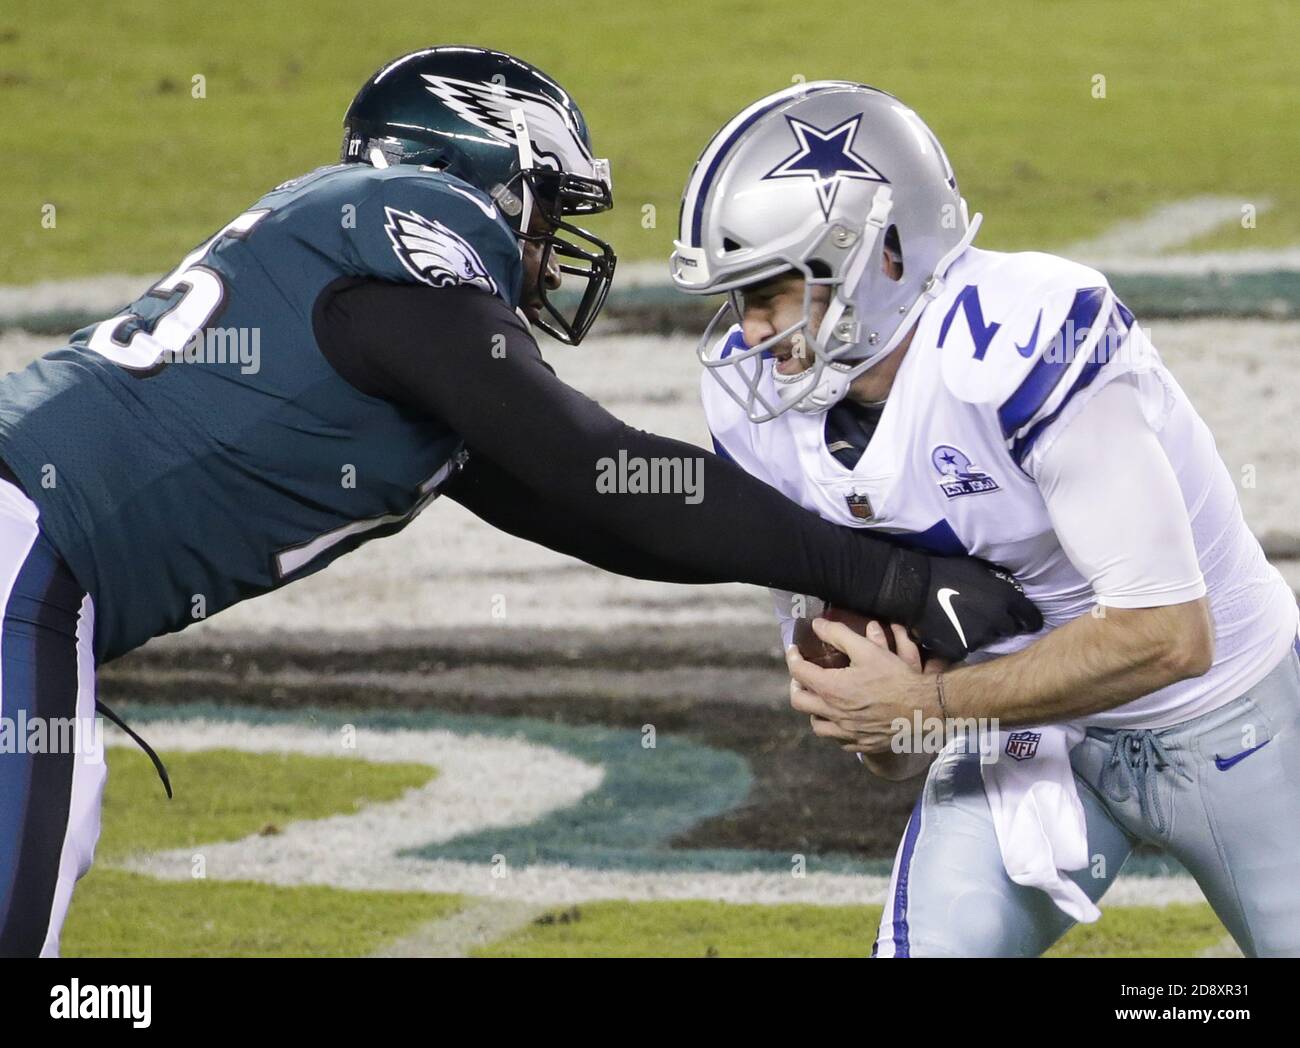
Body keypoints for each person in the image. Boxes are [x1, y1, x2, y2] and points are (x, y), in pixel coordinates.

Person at [0, 51, 1039, 956]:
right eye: (546, 207)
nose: (549, 247)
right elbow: (593, 463)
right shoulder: (413, 227)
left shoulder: (372, 323)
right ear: (484, 178)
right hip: (27, 553)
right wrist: (896, 577)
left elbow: (605, 512)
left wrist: (876, 578)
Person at [670, 81, 1300, 957]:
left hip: (1228, 715)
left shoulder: (1018, 335)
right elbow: (889, 743)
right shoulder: (754, 408)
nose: (750, 332)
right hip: (1016, 732)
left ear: (884, 257)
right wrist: (878, 713)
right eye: (736, 297)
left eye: (772, 290)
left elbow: (1168, 636)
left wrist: (926, 703)